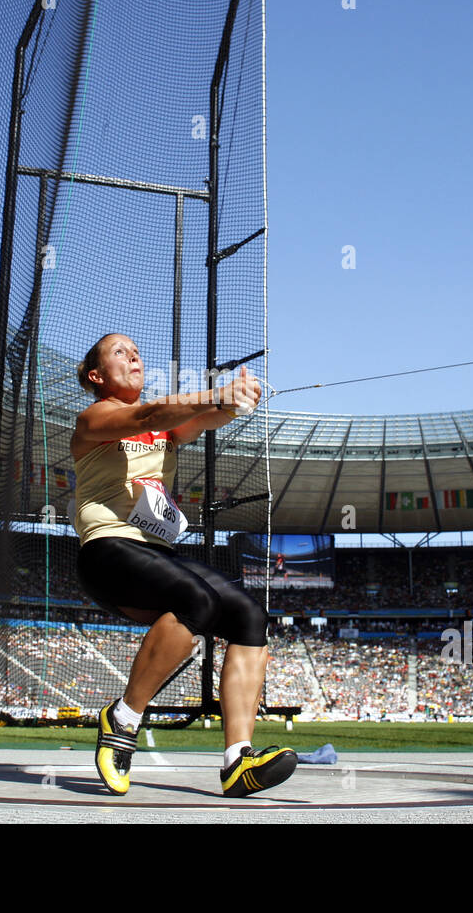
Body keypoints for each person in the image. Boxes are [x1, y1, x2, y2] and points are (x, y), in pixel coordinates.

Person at [71, 333, 295, 798]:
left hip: (154, 553)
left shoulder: (164, 430)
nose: (133, 355)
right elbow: (152, 412)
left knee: (250, 616)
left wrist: (239, 401)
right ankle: (124, 718)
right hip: (107, 550)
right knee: (197, 599)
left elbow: (199, 418)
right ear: (96, 376)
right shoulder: (95, 417)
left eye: (136, 350)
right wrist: (217, 394)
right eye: (119, 352)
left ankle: (238, 761)